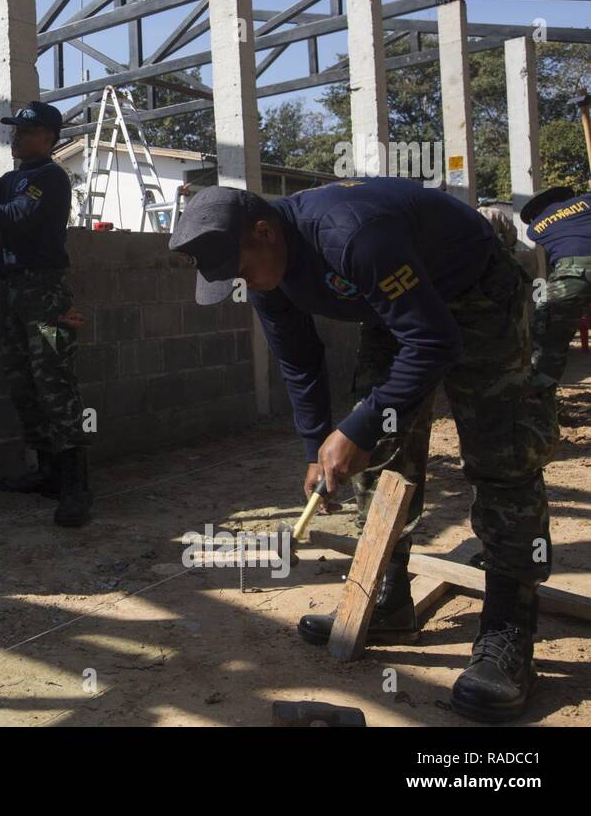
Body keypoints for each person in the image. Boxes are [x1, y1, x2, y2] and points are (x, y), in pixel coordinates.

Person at [170, 178, 557, 723]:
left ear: (264, 231)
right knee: (380, 452)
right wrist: (317, 448)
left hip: (475, 294)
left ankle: (508, 630)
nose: (244, 282)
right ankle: (389, 596)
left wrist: (355, 428)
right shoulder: (264, 269)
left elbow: (436, 340)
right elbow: (300, 363)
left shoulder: (351, 235)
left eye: (242, 269)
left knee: (503, 455)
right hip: (393, 311)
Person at [0, 102, 91, 527]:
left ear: (48, 138)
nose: (16, 138)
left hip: (45, 292)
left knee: (54, 383)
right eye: (14, 131)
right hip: (15, 290)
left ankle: (76, 486)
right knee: (22, 381)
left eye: (25, 132)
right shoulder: (14, 179)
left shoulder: (49, 180)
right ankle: (46, 471)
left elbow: (13, 219)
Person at [521, 185, 591, 390]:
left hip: (572, 272)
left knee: (547, 338)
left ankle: (540, 393)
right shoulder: (587, 201)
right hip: (574, 270)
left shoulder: (535, 229)